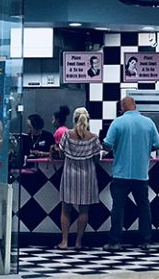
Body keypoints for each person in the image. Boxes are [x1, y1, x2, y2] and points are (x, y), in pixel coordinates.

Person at [102, 96, 159, 251]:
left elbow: (107, 145)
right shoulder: (148, 123)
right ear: (135, 106)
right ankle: (146, 241)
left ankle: (115, 242)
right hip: (141, 174)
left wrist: (114, 147)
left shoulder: (118, 122)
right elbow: (158, 144)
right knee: (144, 207)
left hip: (120, 174)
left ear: (122, 107)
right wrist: (144, 147)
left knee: (118, 207)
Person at [57, 107, 102, 250]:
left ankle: (64, 241)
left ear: (74, 119)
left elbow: (61, 154)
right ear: (87, 120)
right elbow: (96, 158)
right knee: (84, 211)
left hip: (70, 174)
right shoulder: (94, 138)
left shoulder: (67, 135)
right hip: (87, 175)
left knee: (66, 209)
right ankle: (78, 242)